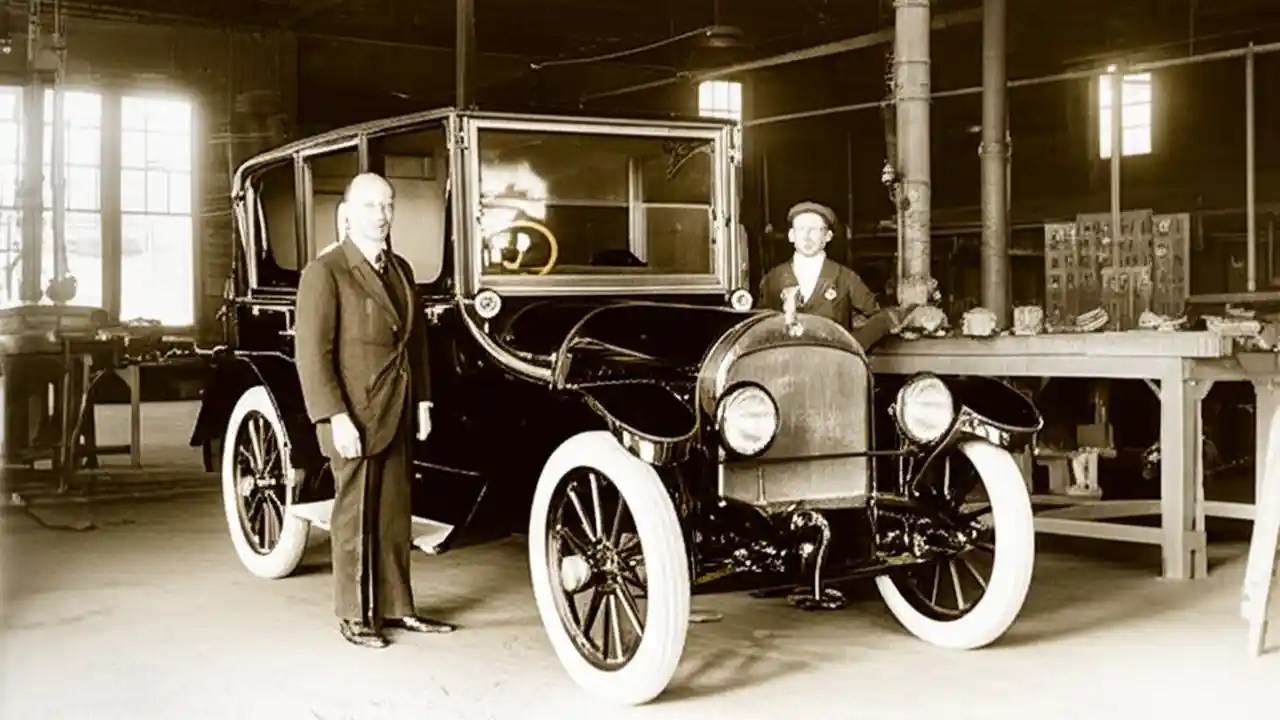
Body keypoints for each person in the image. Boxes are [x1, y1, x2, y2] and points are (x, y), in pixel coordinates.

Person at [294, 172, 456, 649]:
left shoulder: (400, 268)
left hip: (397, 409)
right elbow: (313, 355)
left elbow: (415, 343)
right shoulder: (325, 272)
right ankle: (354, 615)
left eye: (388, 205)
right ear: (347, 214)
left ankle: (398, 608)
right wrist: (335, 417)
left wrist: (422, 400)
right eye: (370, 206)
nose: (381, 215)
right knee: (353, 517)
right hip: (353, 416)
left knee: (393, 516)